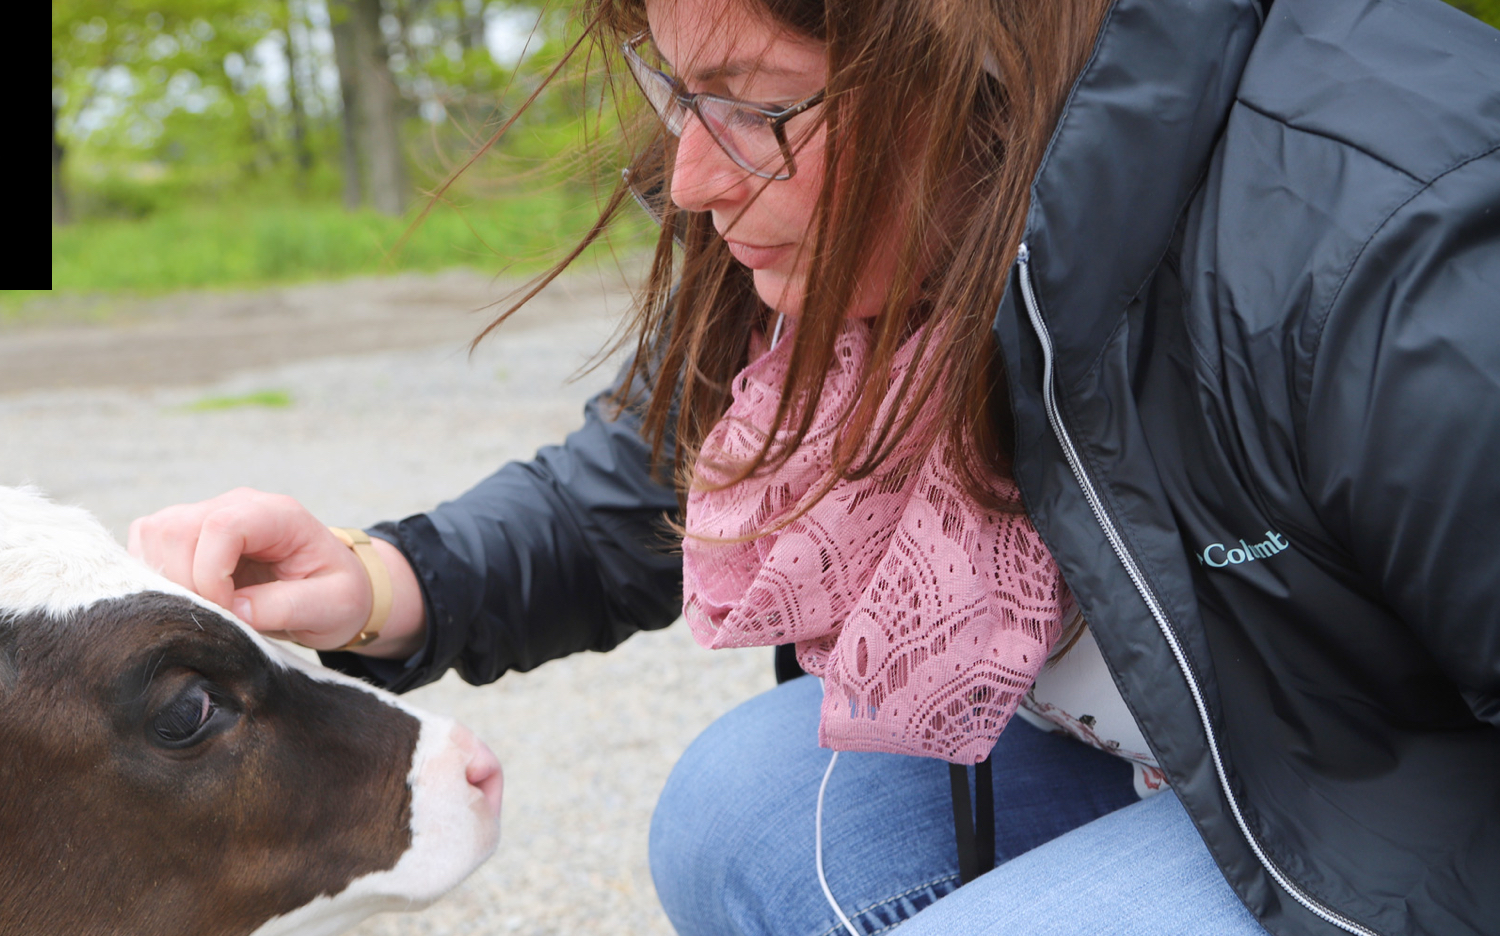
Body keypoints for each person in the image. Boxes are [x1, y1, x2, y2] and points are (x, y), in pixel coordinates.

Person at [128, 0, 1500, 932]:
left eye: (750, 104)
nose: (690, 178)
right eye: (676, 89)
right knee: (744, 814)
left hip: (1393, 796)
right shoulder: (885, 217)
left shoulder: (1391, 246)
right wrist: (379, 580)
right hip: (1207, 745)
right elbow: (660, 464)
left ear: (962, 52)